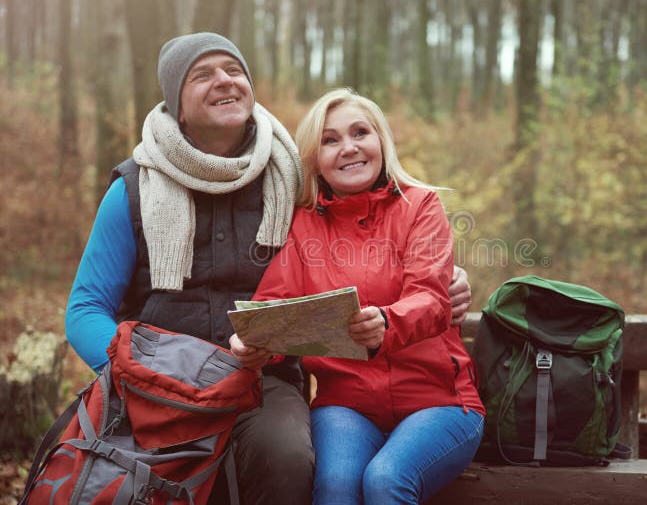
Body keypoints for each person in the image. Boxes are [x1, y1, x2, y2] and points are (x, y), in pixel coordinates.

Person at [64, 33, 472, 504]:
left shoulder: (293, 180)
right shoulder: (133, 190)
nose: (224, 80)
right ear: (176, 105)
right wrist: (141, 375)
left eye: (234, 70)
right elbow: (85, 309)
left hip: (262, 382)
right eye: (202, 75)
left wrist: (450, 282)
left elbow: (367, 228)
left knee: (290, 458)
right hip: (157, 382)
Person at [231, 88, 485, 504]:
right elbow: (274, 305)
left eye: (360, 133)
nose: (348, 148)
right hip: (345, 405)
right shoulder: (305, 225)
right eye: (330, 140)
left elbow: (433, 297)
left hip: (439, 403)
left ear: (381, 141)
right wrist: (253, 341)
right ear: (314, 159)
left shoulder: (421, 207)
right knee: (336, 486)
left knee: (386, 479)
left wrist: (387, 322)